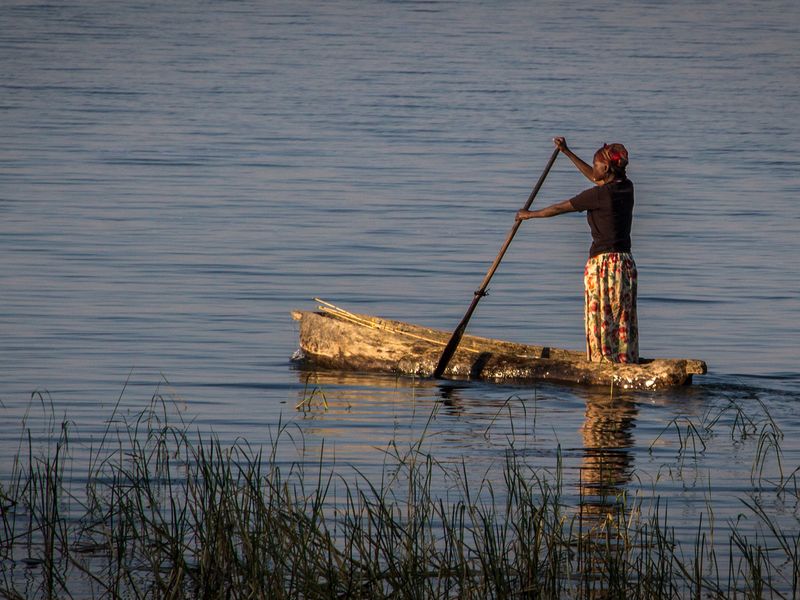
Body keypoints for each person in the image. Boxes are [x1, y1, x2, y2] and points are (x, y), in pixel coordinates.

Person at [516, 137, 639, 363]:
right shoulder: (626, 187)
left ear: (607, 168)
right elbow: (595, 177)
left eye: (596, 165)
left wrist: (529, 215)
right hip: (625, 265)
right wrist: (567, 152)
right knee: (620, 318)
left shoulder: (598, 195)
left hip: (604, 267)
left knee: (600, 318)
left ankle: (602, 364)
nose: (593, 170)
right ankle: (624, 361)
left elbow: (559, 208)